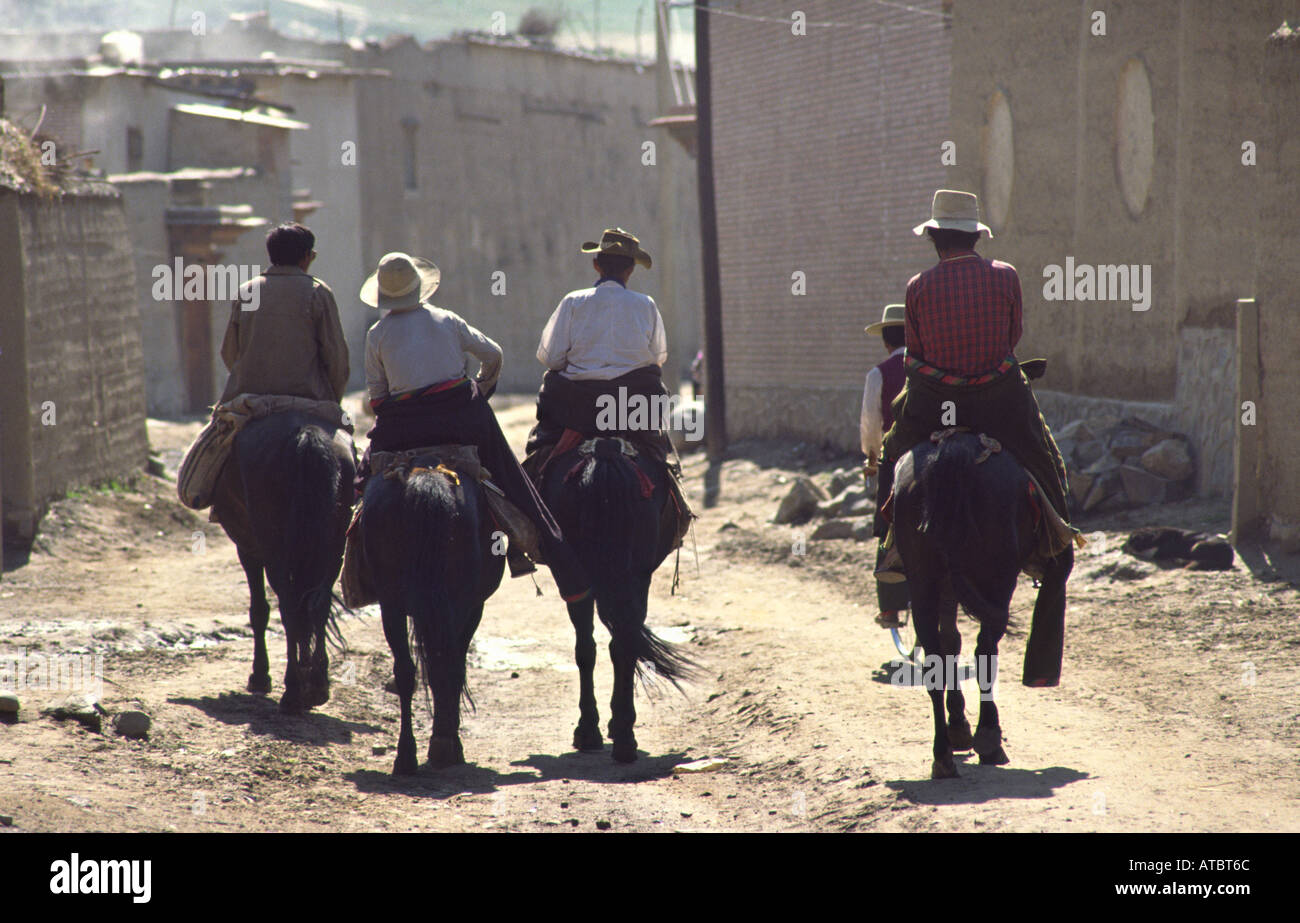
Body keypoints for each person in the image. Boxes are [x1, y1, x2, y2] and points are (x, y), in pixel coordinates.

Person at [357, 251, 591, 603]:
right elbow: (493, 354)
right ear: (419, 287)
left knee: (364, 482)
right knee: (513, 481)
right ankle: (565, 573)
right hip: (461, 417)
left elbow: (377, 397)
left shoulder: (376, 334)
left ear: (385, 294)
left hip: (401, 425)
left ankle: (355, 568)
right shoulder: (447, 319)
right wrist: (480, 391)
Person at [875, 190, 1073, 583]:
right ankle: (1057, 542)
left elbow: (916, 350)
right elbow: (1013, 336)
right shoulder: (1006, 275)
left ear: (933, 238)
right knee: (1045, 458)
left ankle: (891, 548)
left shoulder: (918, 286)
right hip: (998, 399)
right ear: (976, 236)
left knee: (890, 454)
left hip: (933, 402)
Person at [219, 222, 349, 406]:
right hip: (309, 399)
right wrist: (333, 400)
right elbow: (336, 358)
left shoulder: (247, 291)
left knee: (211, 435)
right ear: (306, 256)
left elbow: (229, 352)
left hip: (250, 400)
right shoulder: (317, 292)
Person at [860, 304, 909, 628]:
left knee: (887, 526)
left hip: (896, 460)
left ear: (887, 343)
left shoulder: (879, 373)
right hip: (936, 446)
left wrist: (872, 457)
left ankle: (890, 608)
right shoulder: (930, 367)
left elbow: (870, 423)